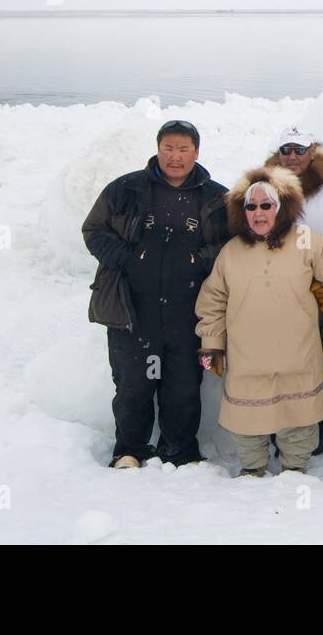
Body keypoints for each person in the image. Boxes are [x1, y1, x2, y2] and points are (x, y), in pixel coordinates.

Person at [81, 119, 229, 469]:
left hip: (187, 310)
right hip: (133, 309)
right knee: (134, 385)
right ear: (157, 148)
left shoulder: (215, 197)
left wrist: (199, 260)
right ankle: (129, 449)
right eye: (169, 148)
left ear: (196, 152)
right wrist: (128, 260)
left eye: (183, 149)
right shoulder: (126, 188)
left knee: (182, 387)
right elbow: (93, 229)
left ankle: (180, 450)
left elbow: (230, 243)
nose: (175, 157)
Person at [195, 166, 323, 476]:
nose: (258, 213)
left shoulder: (307, 241)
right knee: (248, 420)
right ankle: (252, 468)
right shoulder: (231, 252)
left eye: (266, 205)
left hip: (299, 354)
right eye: (251, 206)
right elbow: (213, 301)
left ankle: (295, 467)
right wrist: (212, 344)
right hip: (248, 358)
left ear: (281, 207)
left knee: (298, 416)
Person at [265, 127, 323, 454]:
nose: (292, 156)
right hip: (276, 291)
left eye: (299, 150)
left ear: (312, 153)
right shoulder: (265, 185)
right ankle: (281, 426)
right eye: (286, 149)